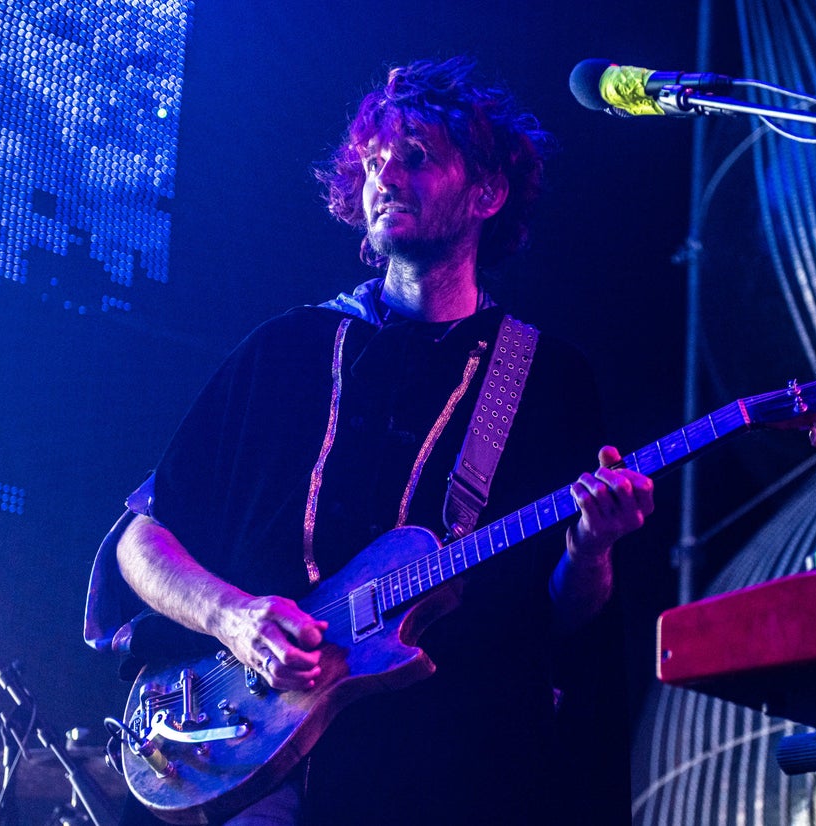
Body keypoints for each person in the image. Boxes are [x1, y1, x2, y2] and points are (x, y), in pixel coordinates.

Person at [106, 56, 654, 824]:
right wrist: (233, 617)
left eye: (418, 158)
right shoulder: (286, 349)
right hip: (257, 764)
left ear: (488, 193)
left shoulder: (547, 379)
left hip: (450, 777)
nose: (385, 176)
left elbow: (562, 618)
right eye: (373, 161)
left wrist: (592, 548)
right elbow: (142, 542)